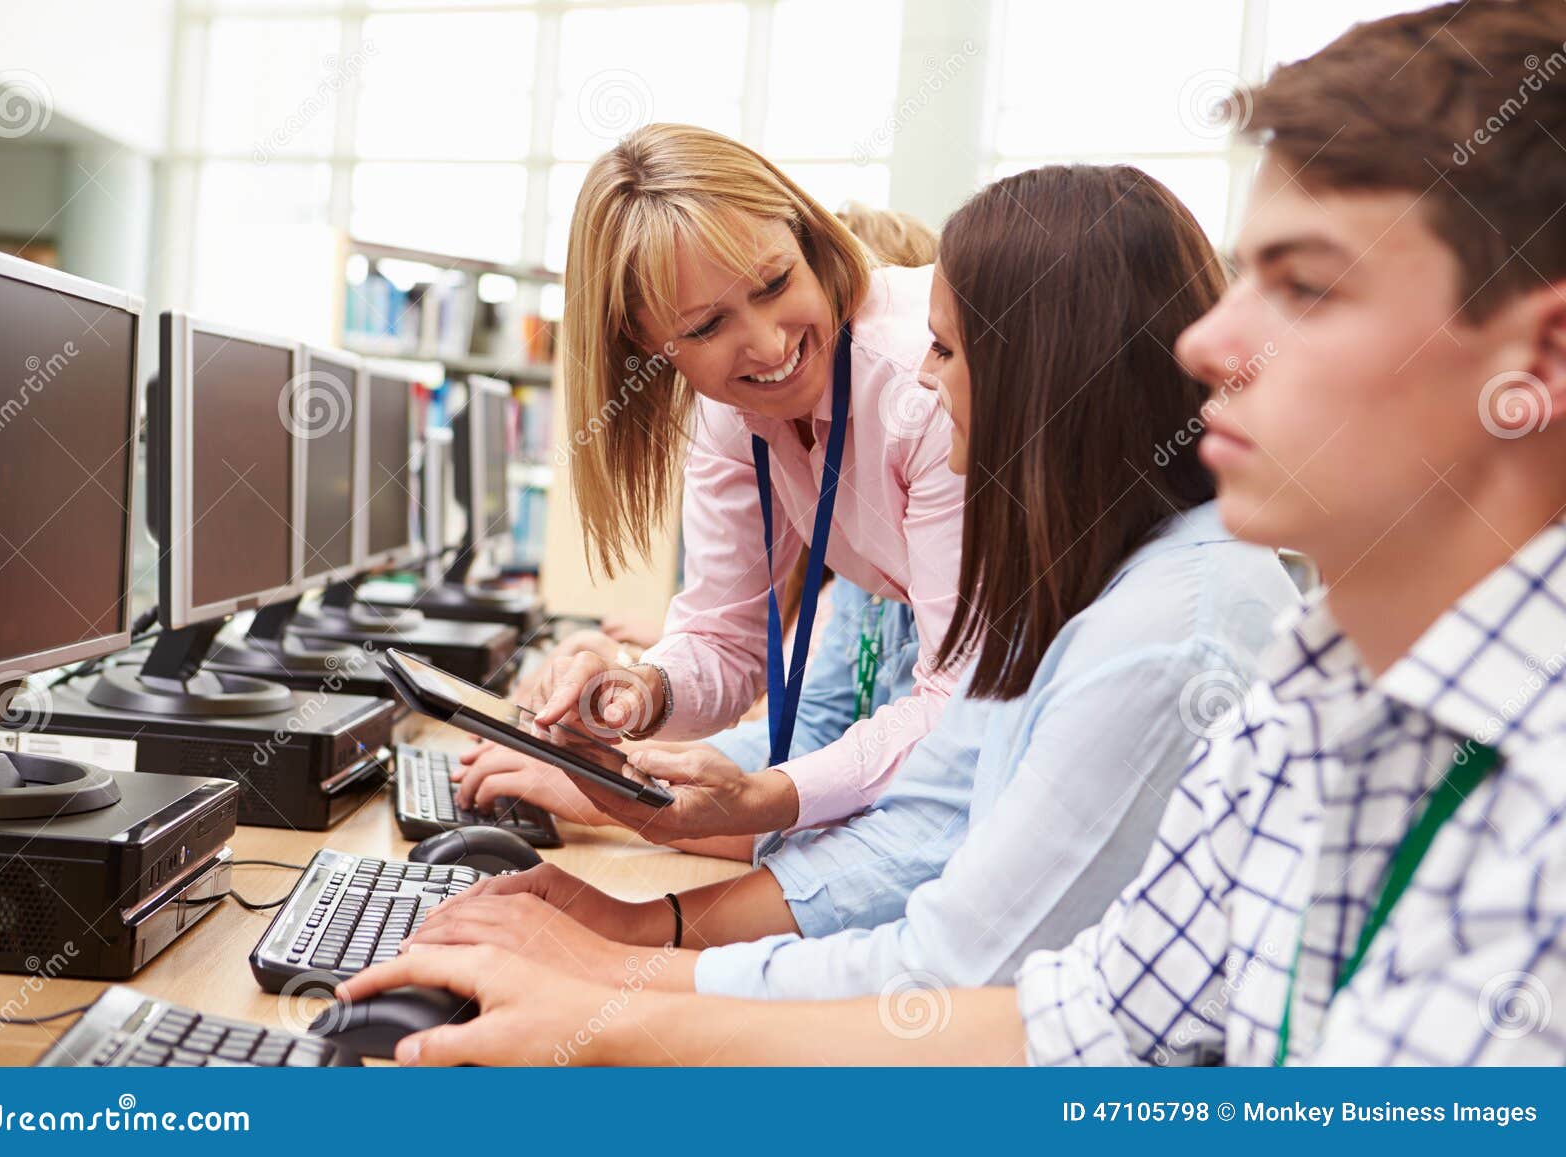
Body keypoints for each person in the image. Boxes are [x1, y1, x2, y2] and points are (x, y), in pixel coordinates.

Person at [342, 0, 1566, 1066]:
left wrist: (628, 975)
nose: (1206, 342)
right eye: (703, 329)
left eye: (1304, 286)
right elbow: (1077, 1005)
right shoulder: (1304, 689)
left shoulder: (1186, 629)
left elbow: (961, 952)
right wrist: (625, 884)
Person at [336, 161, 1300, 1058]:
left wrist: (622, 982)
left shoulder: (1160, 638)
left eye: (945, 347)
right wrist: (632, 926)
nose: (921, 377)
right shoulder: (1079, 596)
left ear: (1039, 372)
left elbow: (945, 976)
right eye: (705, 327)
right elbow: (932, 822)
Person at [518, 123, 966, 842]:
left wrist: (765, 800)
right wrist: (640, 689)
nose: (768, 344)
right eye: (705, 328)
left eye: (775, 283)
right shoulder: (731, 413)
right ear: (646, 345)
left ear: (808, 239)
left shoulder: (923, 382)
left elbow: (959, 705)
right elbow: (726, 638)